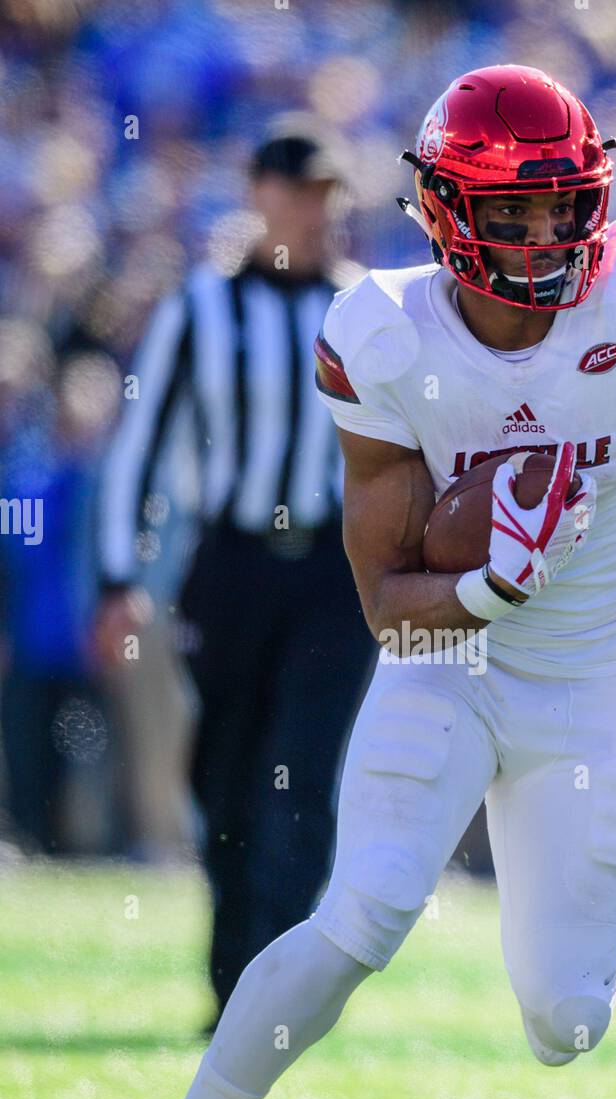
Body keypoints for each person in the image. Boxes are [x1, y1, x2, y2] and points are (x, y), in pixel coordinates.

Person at [99, 66, 616, 1099]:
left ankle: (559, 938)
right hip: (448, 664)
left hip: (589, 688)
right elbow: (388, 608)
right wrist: (490, 581)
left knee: (567, 1022)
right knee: (362, 910)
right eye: (511, 208)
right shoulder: (382, 333)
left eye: (563, 203)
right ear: (443, 208)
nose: (543, 234)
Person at [93, 115, 374, 1020]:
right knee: (226, 773)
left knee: (304, 770)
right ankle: (232, 973)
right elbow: (139, 446)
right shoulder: (199, 308)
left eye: (325, 194)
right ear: (258, 195)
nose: (313, 211)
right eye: (297, 192)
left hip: (332, 573)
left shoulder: (364, 307)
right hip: (232, 567)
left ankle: (274, 992)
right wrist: (118, 577)